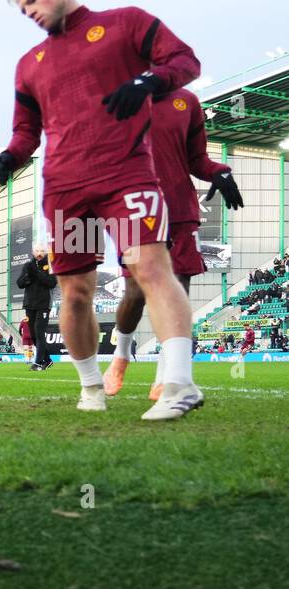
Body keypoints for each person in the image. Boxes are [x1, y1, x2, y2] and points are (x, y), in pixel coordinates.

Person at [0, 0, 201, 419]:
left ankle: (180, 383)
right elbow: (26, 131)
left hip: (127, 176)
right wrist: (11, 155)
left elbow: (185, 60)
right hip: (66, 190)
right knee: (76, 293)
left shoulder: (124, 23)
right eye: (22, 8)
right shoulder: (30, 65)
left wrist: (148, 79)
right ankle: (91, 387)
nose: (29, 11)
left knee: (150, 267)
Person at [104, 85, 243, 399]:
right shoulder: (118, 98)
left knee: (177, 291)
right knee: (136, 294)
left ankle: (164, 376)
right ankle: (121, 355)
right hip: (135, 210)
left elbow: (197, 159)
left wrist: (218, 172)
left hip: (180, 209)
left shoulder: (187, 101)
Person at [16, 248, 57, 369]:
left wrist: (36, 272)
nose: (39, 253)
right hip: (29, 304)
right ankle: (48, 360)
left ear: (45, 252)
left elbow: (51, 283)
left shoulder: (50, 265)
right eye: (37, 251)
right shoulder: (28, 265)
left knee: (39, 332)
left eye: (42, 250)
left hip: (43, 304)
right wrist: (27, 277)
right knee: (33, 334)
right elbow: (20, 283)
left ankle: (38, 362)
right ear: (33, 252)